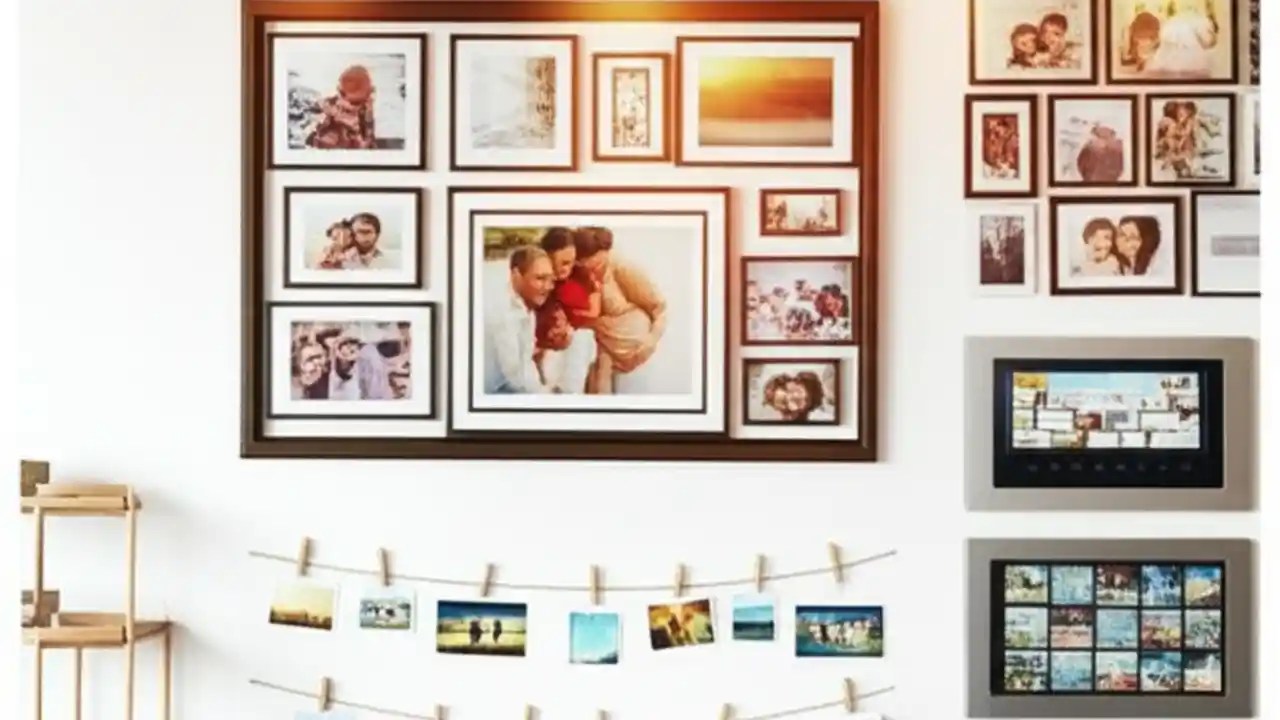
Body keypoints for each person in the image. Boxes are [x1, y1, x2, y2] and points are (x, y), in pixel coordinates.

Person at [572, 227, 667, 394]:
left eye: (591, 259)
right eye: (581, 261)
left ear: (603, 251)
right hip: (602, 349)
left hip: (634, 351)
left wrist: (650, 341)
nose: (585, 264)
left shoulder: (623, 267)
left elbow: (659, 306)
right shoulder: (577, 271)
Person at [485, 246, 556, 393]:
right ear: (516, 275)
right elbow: (514, 376)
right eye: (540, 278)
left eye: (551, 280)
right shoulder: (502, 311)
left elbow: (525, 362)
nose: (548, 287)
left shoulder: (526, 304)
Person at [308, 64, 377, 150]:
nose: (357, 106)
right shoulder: (334, 103)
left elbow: (368, 134)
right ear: (341, 94)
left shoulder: (366, 108)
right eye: (354, 103)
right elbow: (317, 107)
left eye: (362, 101)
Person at [1147, 0, 1219, 77]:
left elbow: (1159, 43)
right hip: (1192, 68)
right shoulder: (1199, 21)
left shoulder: (1169, 23)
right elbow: (1208, 42)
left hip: (1168, 68)